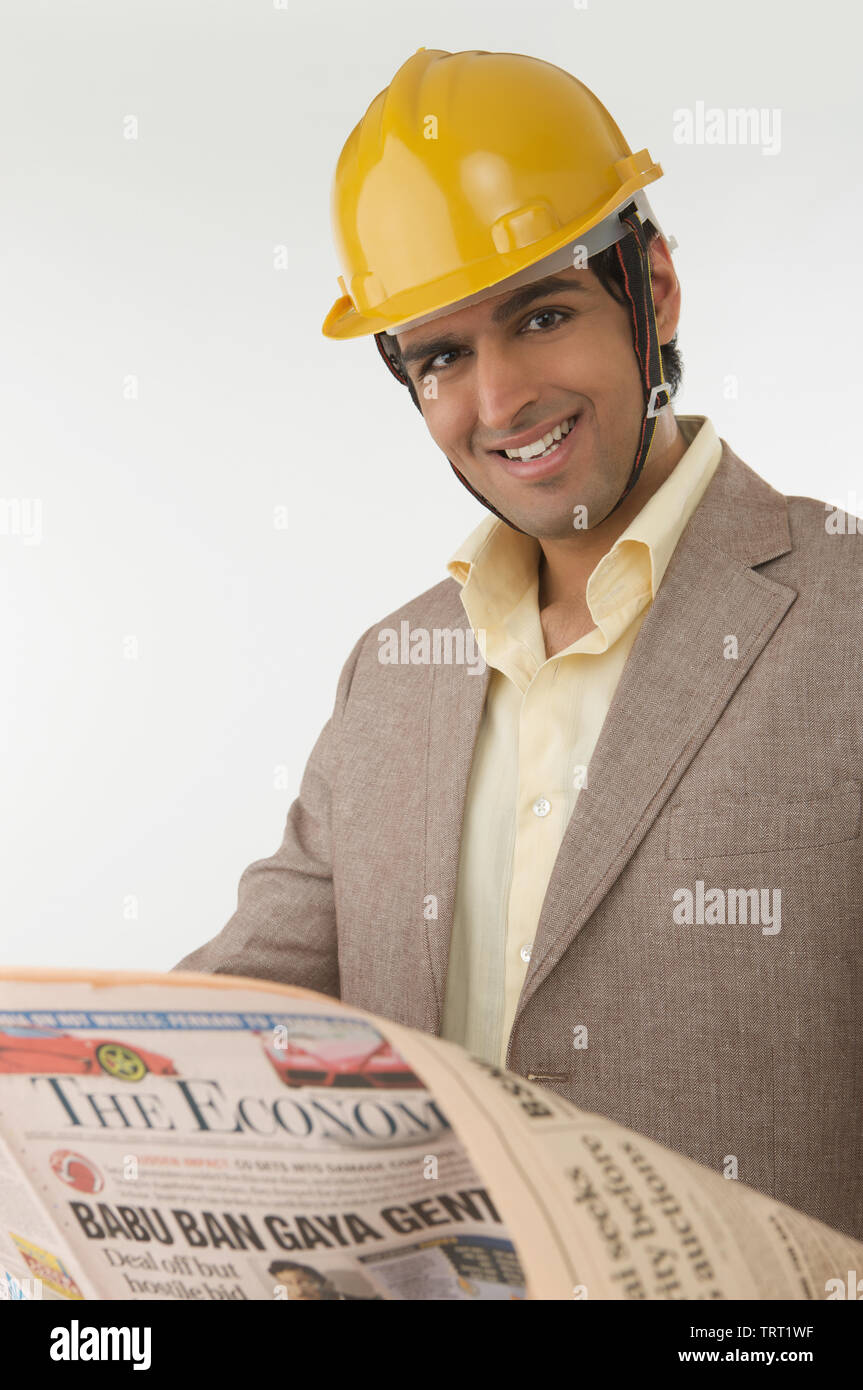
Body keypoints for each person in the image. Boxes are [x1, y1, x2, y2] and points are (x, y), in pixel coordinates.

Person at [175, 48, 862, 1239]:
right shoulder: (392, 671)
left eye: (540, 315)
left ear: (652, 285)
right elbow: (243, 1015)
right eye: (441, 356)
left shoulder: (843, 614)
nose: (498, 403)